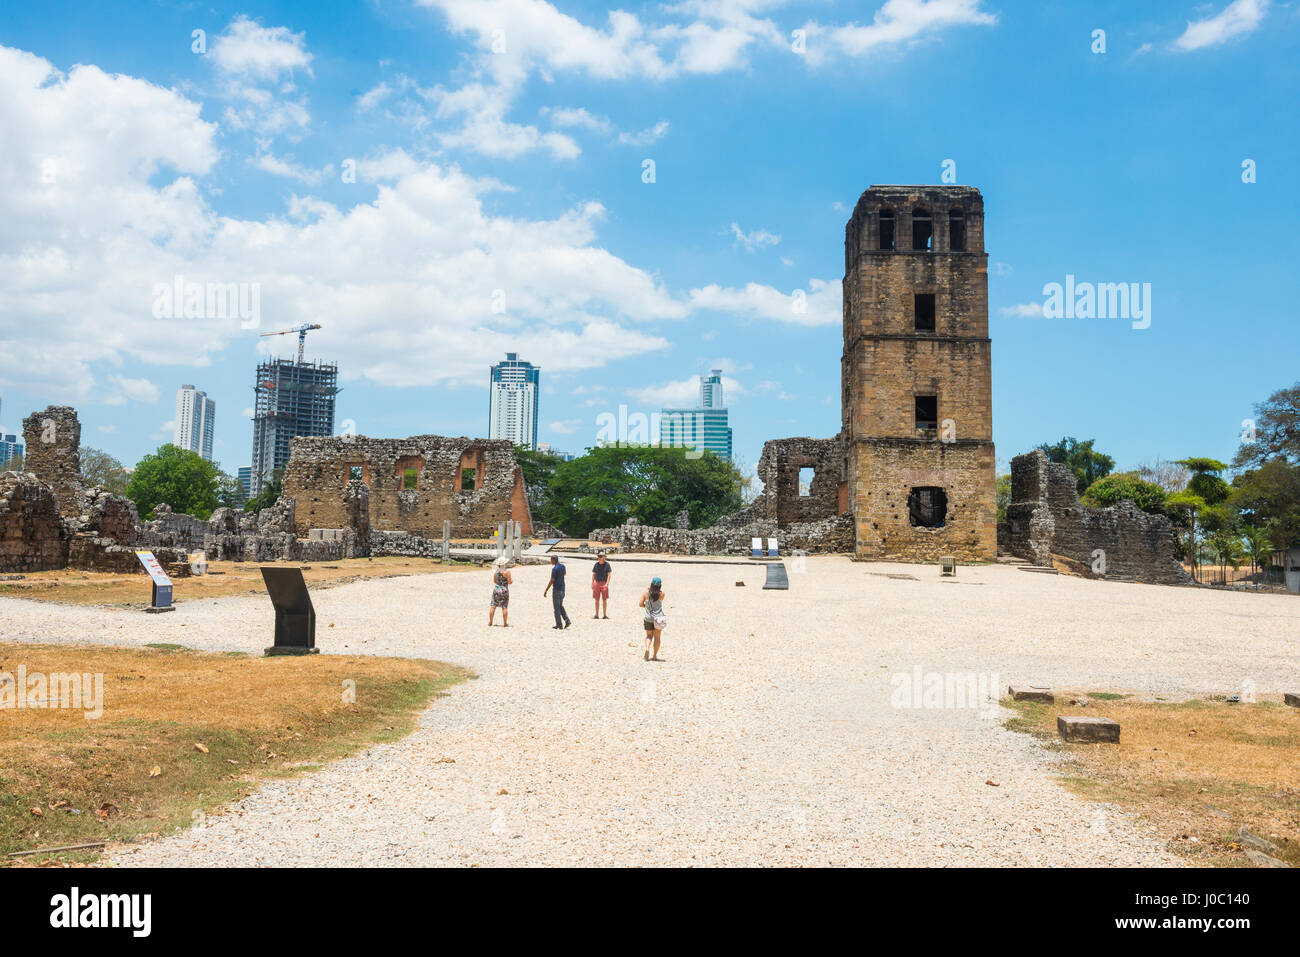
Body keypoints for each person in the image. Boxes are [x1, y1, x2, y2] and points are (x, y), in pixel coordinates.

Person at [639, 576, 666, 661]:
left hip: (648, 618)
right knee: (657, 637)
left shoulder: (645, 593)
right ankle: (654, 656)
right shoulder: (662, 594)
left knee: (649, 636)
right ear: (660, 585)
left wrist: (645, 607)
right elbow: (659, 600)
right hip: (658, 618)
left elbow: (640, 604)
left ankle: (647, 649)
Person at [543, 555, 571, 630]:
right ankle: (567, 621)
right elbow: (564, 574)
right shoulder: (562, 566)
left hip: (557, 589)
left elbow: (552, 580)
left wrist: (546, 590)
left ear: (554, 560)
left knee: (556, 608)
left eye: (551, 560)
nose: (550, 561)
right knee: (560, 606)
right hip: (562, 589)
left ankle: (559, 624)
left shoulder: (554, 569)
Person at [488, 556, 511, 627]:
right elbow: (509, 582)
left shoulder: (496, 572)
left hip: (496, 589)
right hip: (504, 590)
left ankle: (490, 622)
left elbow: (494, 581)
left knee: (493, 606)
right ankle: (505, 623)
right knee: (504, 607)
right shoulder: (507, 572)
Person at [591, 552, 612, 619]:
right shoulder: (596, 564)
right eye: (599, 556)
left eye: (601, 556)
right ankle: (596, 615)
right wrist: (592, 583)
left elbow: (609, 575)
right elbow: (594, 574)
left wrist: (607, 584)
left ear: (604, 557)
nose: (599, 558)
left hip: (604, 583)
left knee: (604, 599)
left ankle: (604, 615)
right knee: (596, 599)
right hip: (597, 583)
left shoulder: (607, 565)